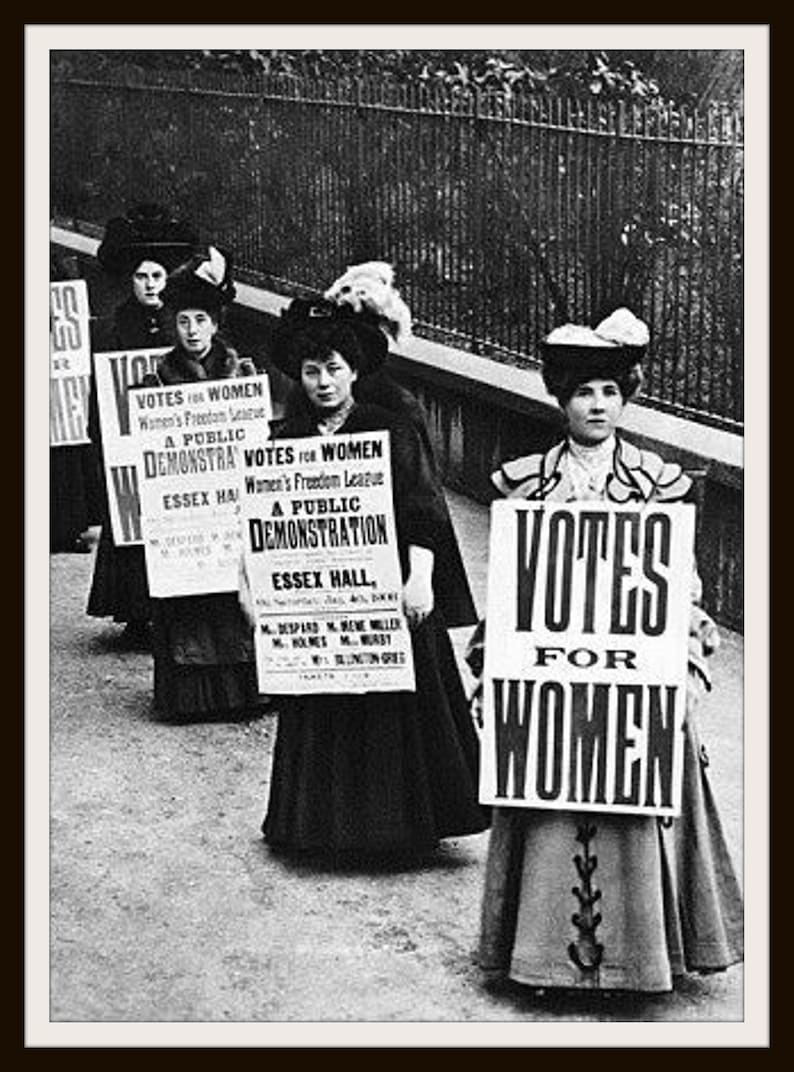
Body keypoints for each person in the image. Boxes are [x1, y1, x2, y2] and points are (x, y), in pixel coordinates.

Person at [467, 308, 743, 993]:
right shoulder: (525, 482)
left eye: (610, 392)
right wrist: (493, 670)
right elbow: (511, 592)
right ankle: (540, 959)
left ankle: (644, 958)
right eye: (584, 392)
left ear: (626, 399)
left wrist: (683, 658)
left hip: (633, 686)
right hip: (552, 691)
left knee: (642, 792)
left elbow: (682, 585)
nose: (597, 405)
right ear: (561, 400)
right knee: (550, 799)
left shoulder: (657, 482)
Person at [260, 300, 489, 858]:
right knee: (325, 698)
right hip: (321, 598)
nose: (323, 382)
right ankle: (324, 824)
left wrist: (421, 579)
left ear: (355, 370)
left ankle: (400, 825)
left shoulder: (389, 428)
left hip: (387, 588)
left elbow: (422, 511)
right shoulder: (284, 439)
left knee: (395, 704)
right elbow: (267, 525)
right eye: (311, 371)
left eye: (334, 369)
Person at [321, 261, 478, 631]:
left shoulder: (396, 404)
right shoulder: (318, 393)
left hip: (393, 552)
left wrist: (420, 573)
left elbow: (422, 496)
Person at [143, 247, 265, 723]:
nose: (192, 330)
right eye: (183, 322)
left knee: (234, 596)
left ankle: (245, 691)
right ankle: (190, 696)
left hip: (231, 507)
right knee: (190, 600)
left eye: (200, 320)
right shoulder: (156, 380)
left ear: (215, 324)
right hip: (186, 517)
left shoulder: (243, 374)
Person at [87, 204, 198, 646]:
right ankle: (137, 609)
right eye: (142, 277)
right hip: (132, 440)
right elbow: (104, 390)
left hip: (175, 440)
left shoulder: (184, 325)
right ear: (129, 280)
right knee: (134, 515)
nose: (151, 286)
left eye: (157, 277)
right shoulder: (116, 327)